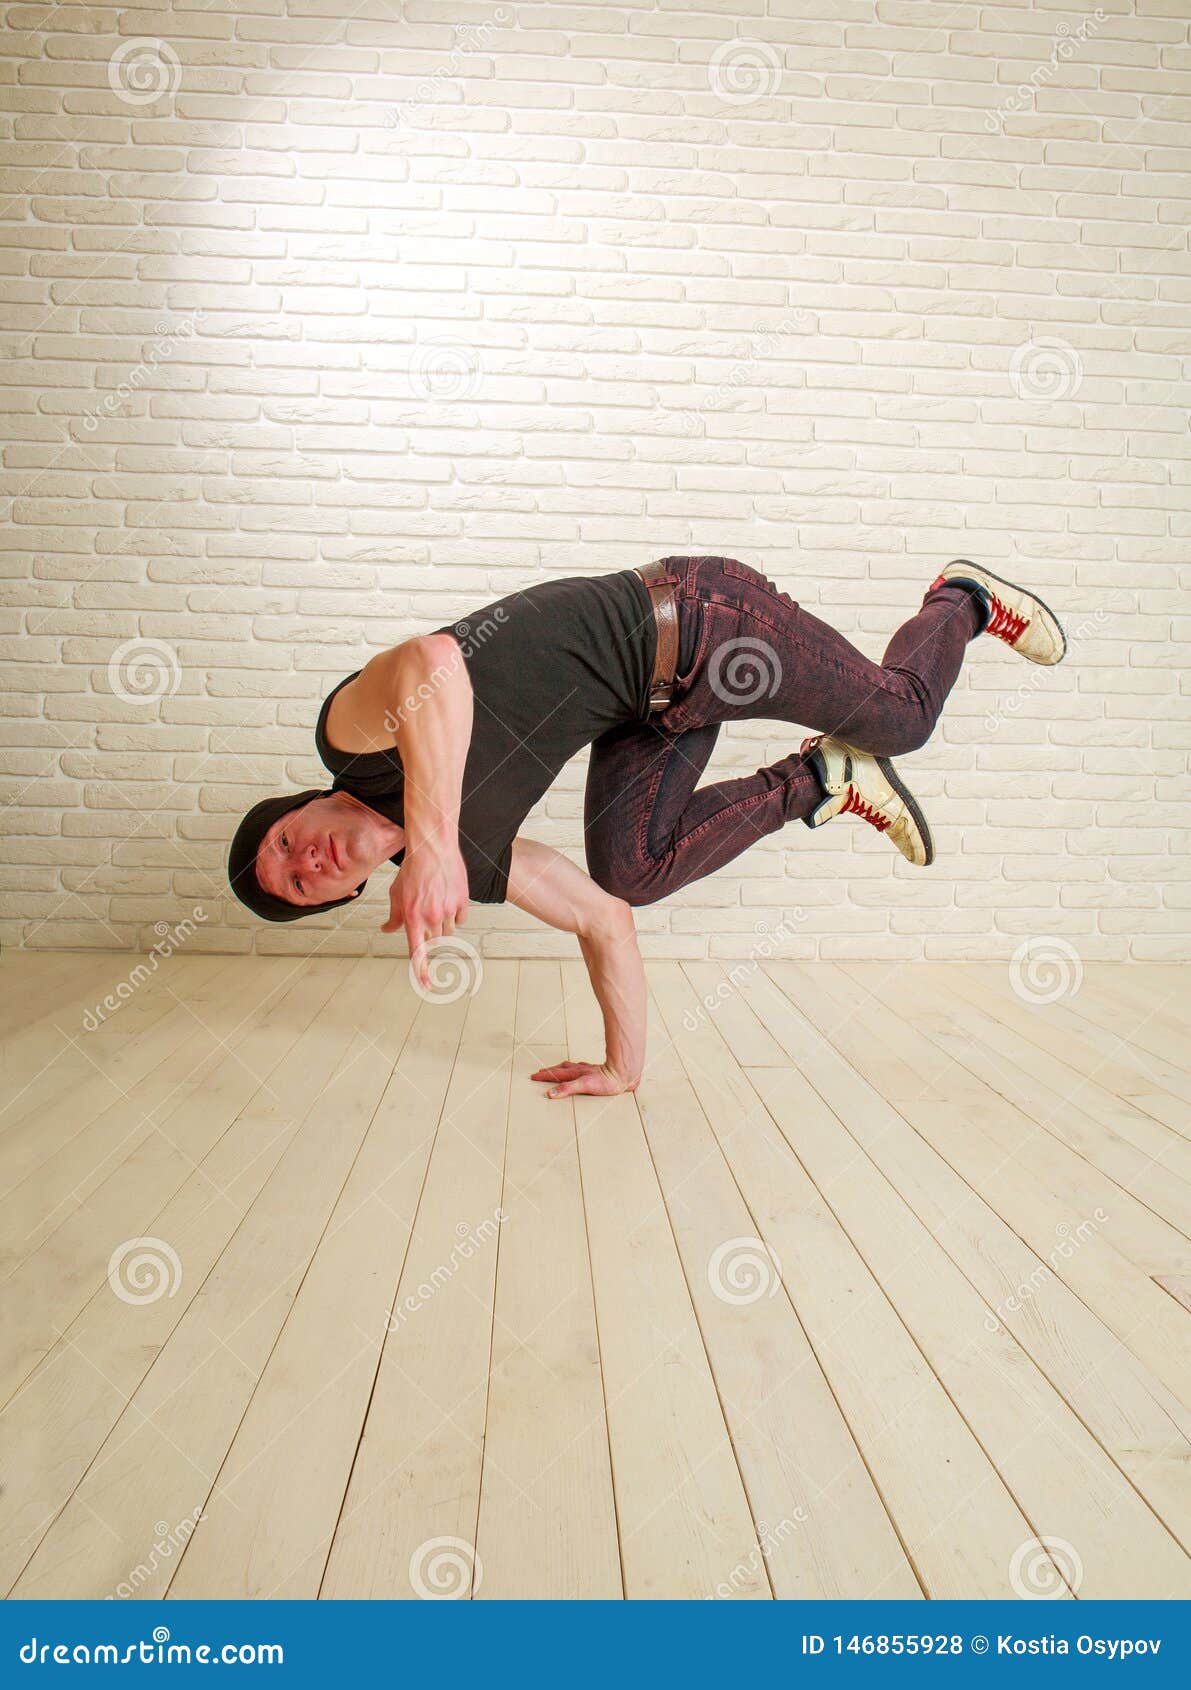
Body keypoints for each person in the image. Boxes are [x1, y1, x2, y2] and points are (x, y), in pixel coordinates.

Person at [228, 557, 1065, 1099]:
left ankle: (962, 598)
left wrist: (435, 842)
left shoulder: (350, 738)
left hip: (697, 619)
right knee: (630, 870)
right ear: (345, 893)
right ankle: (819, 780)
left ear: (297, 806)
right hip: (659, 706)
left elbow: (434, 663)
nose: (305, 858)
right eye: (301, 884)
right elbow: (602, 918)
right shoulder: (462, 861)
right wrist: (621, 1068)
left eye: (281, 844)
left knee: (903, 716)